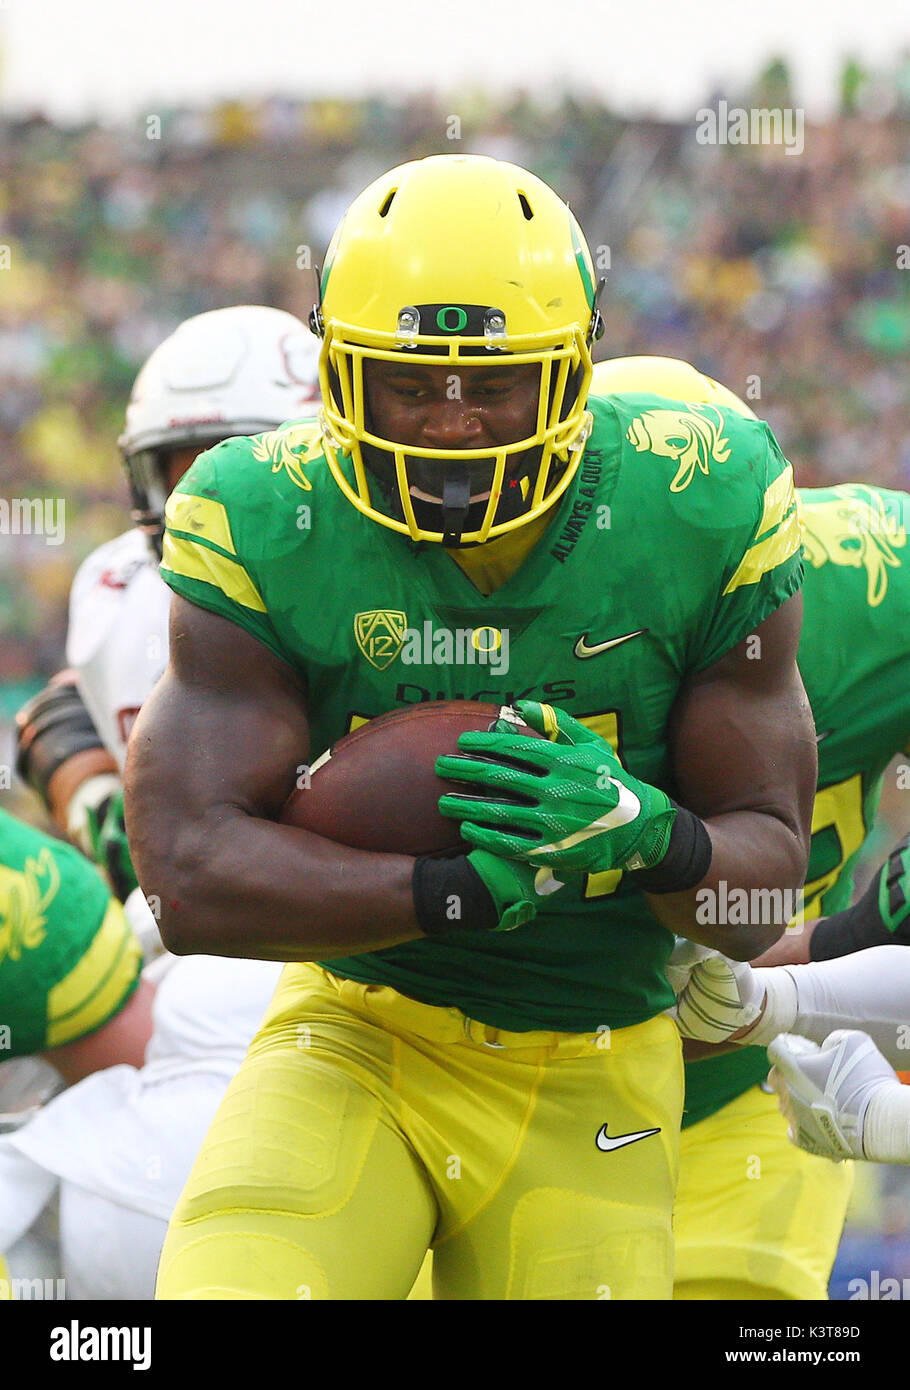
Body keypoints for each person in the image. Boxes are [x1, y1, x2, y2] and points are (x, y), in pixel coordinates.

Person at [129, 154, 815, 1301]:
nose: (451, 423)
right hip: (364, 1023)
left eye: (492, 385)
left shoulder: (696, 498)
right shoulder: (260, 511)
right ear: (339, 376)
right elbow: (188, 880)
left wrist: (649, 837)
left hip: (594, 1055)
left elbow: (761, 886)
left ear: (572, 374)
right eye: (409, 383)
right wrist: (451, 890)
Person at [593, 355, 910, 1299]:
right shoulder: (475, 628)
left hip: (748, 1097)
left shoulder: (879, 586)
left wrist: (807, 1003)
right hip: (490, 1074)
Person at [15, 305, 320, 920]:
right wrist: (95, 795)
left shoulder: (363, 579)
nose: (210, 497)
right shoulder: (115, 583)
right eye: (188, 466)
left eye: (237, 464)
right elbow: (68, 709)